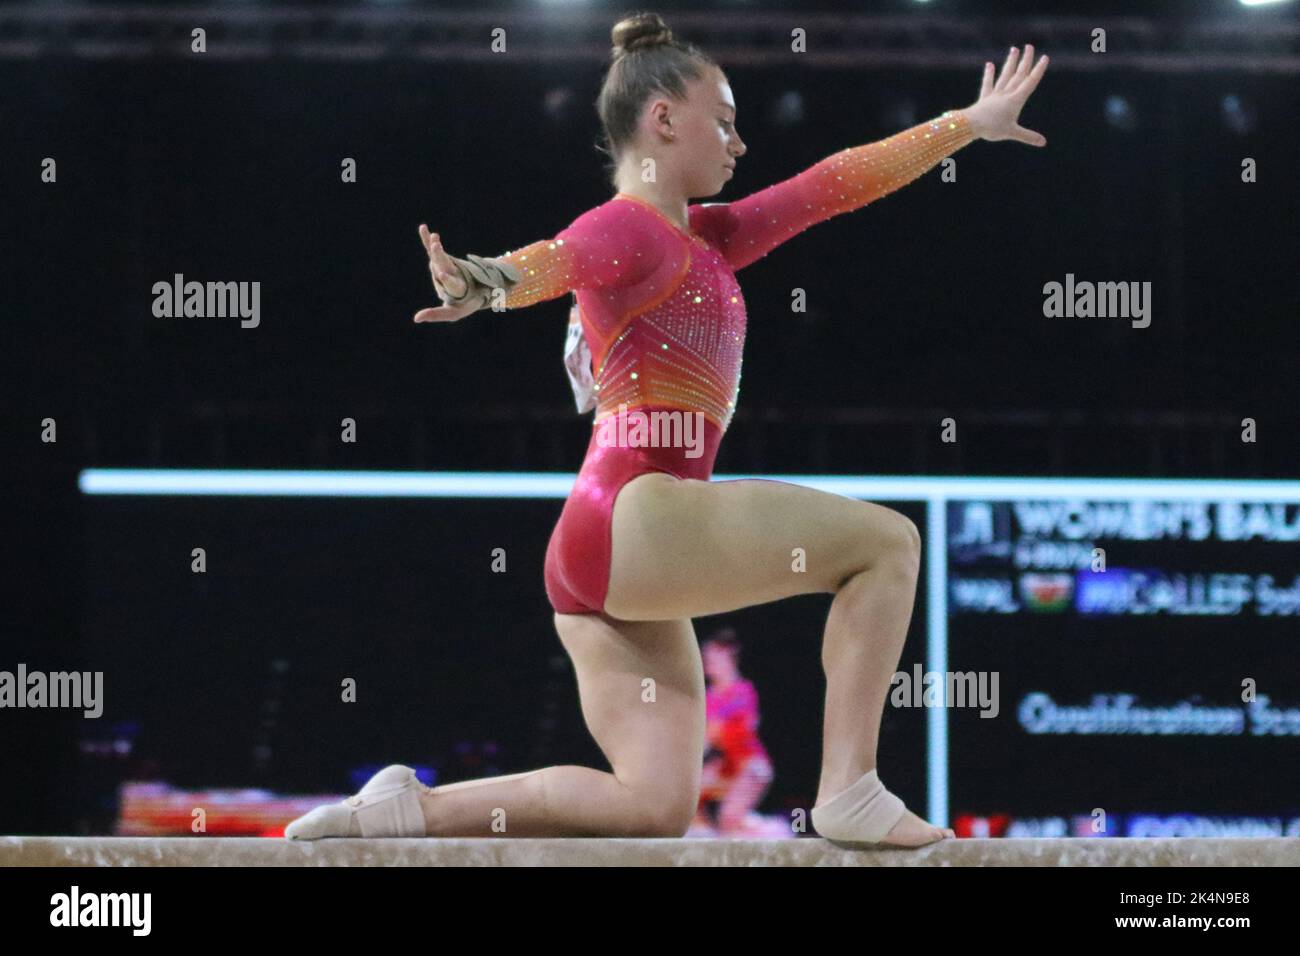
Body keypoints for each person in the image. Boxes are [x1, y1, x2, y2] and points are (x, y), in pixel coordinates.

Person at [286, 11, 1047, 847]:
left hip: (599, 555)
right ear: (662, 120)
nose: (740, 142)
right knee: (888, 545)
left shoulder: (709, 237)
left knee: (653, 807)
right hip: (637, 516)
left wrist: (965, 127)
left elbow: (834, 183)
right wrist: (486, 281)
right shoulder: (630, 226)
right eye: (723, 121)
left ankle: (411, 806)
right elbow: (561, 255)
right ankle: (849, 788)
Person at [694, 629, 774, 836]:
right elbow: (705, 738)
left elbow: (728, 732)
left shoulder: (743, 691)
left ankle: (775, 832)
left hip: (750, 767)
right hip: (724, 767)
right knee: (685, 802)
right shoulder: (708, 697)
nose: (708, 661)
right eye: (706, 657)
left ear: (730, 657)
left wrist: (708, 735)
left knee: (729, 819)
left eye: (714, 656)